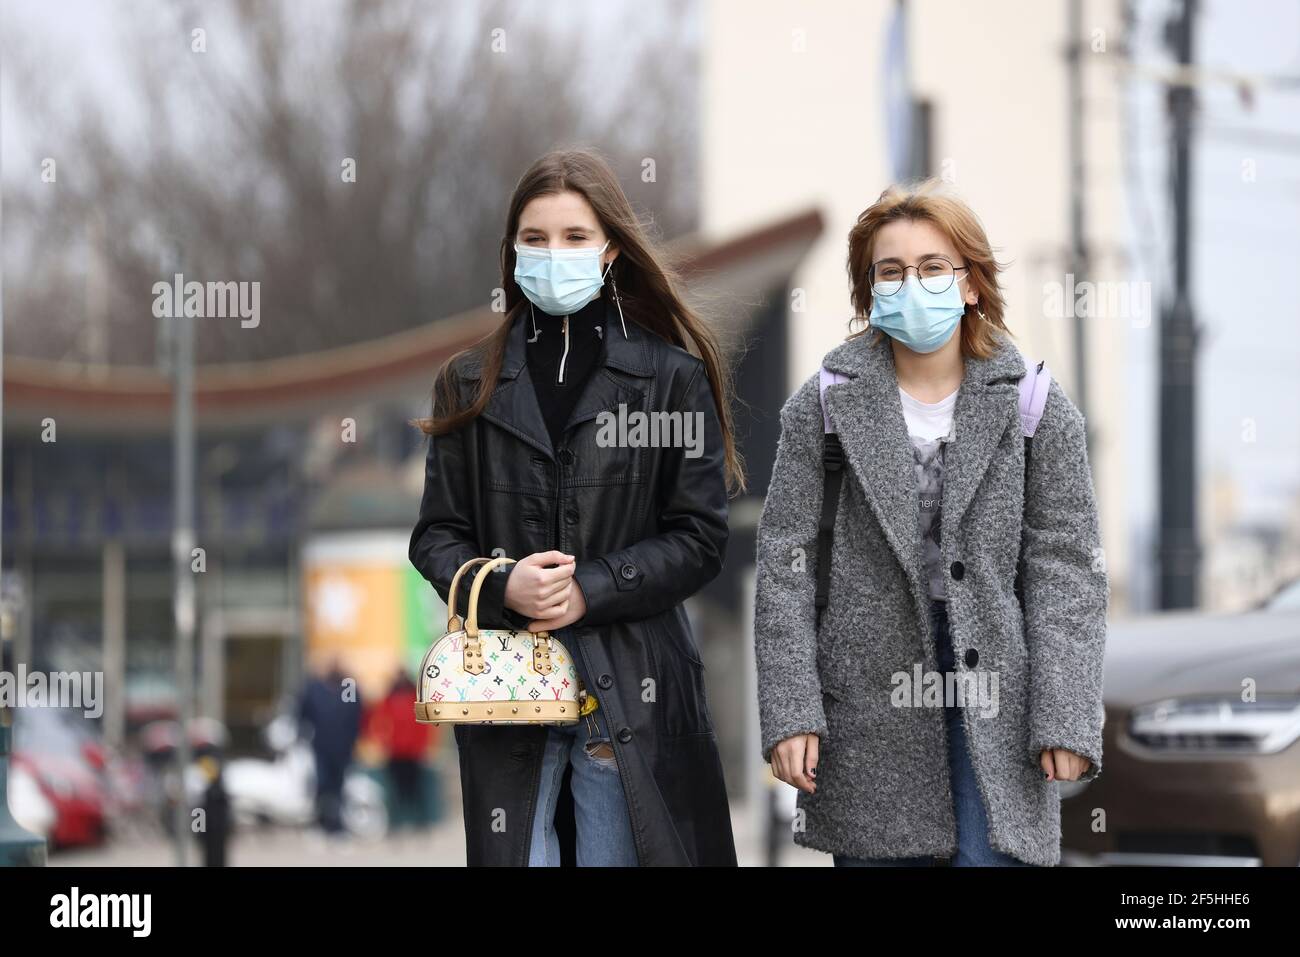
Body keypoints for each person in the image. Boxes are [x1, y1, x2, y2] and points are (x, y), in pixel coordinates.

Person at [754, 178, 1109, 867]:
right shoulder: (822, 406)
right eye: (891, 271)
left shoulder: (1036, 405)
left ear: (971, 284)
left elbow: (1067, 568)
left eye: (932, 268)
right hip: (866, 701)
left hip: (998, 699)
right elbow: (784, 564)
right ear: (870, 289)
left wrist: (1065, 712)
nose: (910, 285)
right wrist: (792, 708)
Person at [409, 147, 742, 866]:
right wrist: (504, 585)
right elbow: (436, 535)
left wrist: (589, 589)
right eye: (535, 238)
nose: (552, 253)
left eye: (574, 236)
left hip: (631, 692)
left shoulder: (669, 379)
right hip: (505, 702)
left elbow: (700, 536)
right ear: (512, 251)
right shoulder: (466, 382)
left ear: (612, 249)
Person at [297, 655, 364, 836]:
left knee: (339, 788)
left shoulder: (347, 687)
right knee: (322, 786)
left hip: (342, 748)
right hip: (321, 747)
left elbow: (354, 715)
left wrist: (353, 739)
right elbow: (304, 713)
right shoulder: (316, 688)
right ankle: (321, 824)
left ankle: (337, 826)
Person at [364, 669, 434, 830]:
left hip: (413, 752)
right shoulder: (388, 701)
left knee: (415, 788)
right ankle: (397, 822)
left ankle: (419, 822)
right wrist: (382, 742)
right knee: (396, 789)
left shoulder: (414, 700)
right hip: (395, 751)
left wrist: (423, 746)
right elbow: (378, 722)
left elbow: (424, 726)